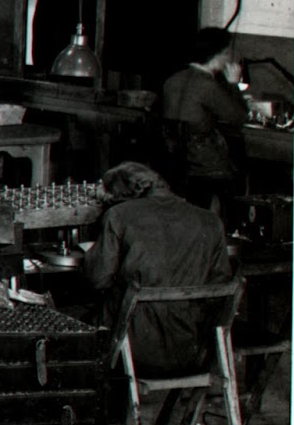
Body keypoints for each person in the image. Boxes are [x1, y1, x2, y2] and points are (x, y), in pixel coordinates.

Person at [84, 160, 235, 377]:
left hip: (132, 349)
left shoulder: (119, 215)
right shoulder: (210, 221)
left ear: (119, 195)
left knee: (78, 318)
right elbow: (218, 288)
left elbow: (97, 279)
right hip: (191, 349)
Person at [160, 26, 250, 214]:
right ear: (217, 55)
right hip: (204, 167)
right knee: (246, 173)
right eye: (226, 53)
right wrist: (234, 85)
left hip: (172, 162)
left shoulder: (172, 80)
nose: (228, 59)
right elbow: (239, 118)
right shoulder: (207, 85)